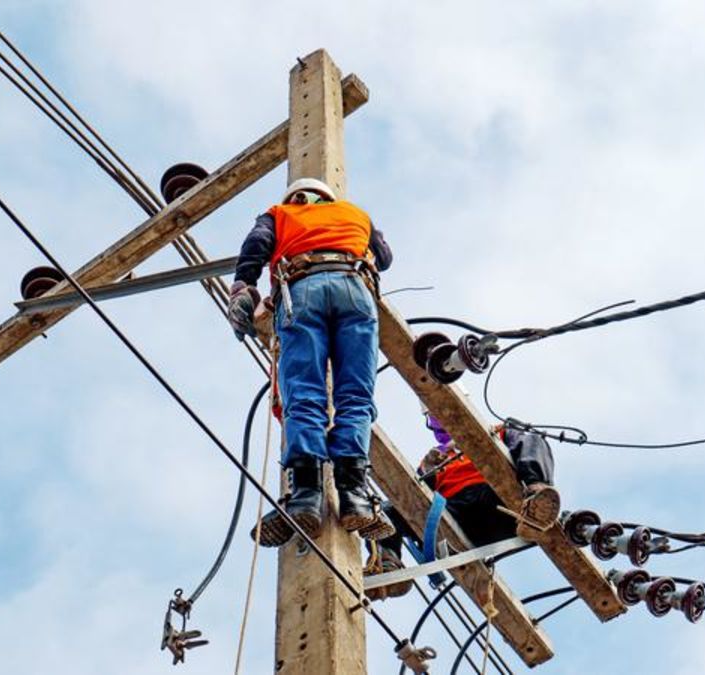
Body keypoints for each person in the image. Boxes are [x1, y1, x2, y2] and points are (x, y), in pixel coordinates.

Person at [228, 177, 394, 547]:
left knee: (304, 396)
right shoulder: (355, 213)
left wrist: (242, 286)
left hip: (302, 288)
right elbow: (384, 258)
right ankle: (354, 495)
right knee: (356, 397)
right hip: (355, 289)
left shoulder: (279, 214)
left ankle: (305, 497)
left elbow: (257, 244)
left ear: (295, 198)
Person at [367, 413, 560, 600]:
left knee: (531, 436)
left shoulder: (497, 431)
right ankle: (386, 563)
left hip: (498, 501)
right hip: (455, 515)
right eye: (434, 419)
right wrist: (426, 472)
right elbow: (414, 500)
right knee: (384, 511)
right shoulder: (438, 457)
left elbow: (529, 445)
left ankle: (537, 500)